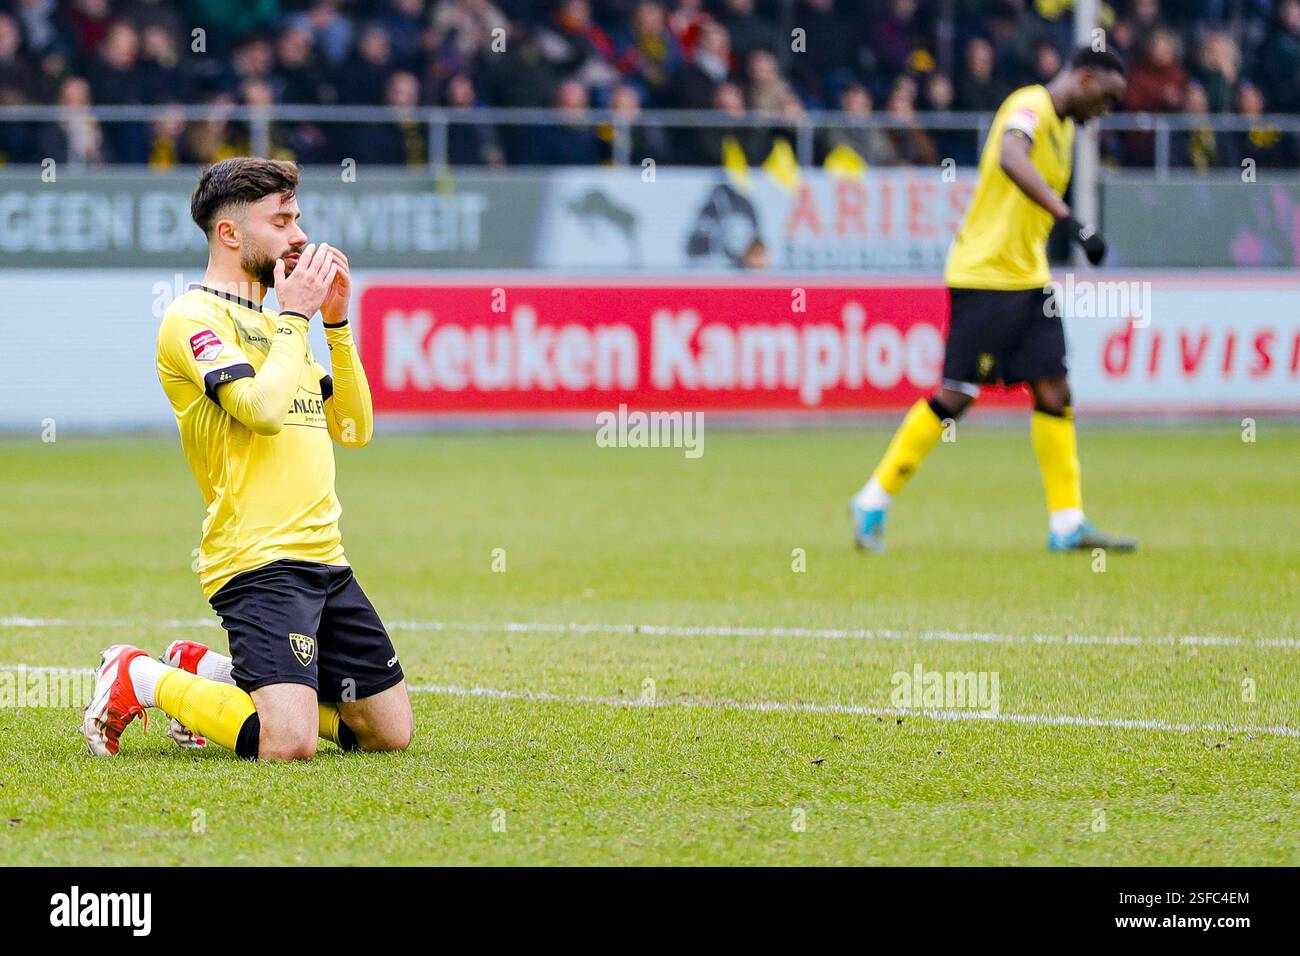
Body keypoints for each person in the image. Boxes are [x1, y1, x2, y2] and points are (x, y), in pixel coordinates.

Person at [82, 157, 413, 760]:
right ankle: (140, 675)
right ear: (230, 233)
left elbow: (354, 429)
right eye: (281, 222)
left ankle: (208, 671)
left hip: (326, 558)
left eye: (298, 219)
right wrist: (296, 318)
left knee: (388, 734)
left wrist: (336, 323)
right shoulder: (193, 318)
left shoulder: (278, 327)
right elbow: (259, 410)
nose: (299, 236)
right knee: (288, 744)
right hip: (257, 560)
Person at [849, 47, 1138, 554]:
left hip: (1028, 278)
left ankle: (1067, 523)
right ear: (1085, 79)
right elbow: (1010, 157)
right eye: (1106, 98)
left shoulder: (1065, 131)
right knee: (957, 396)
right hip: (985, 276)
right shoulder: (1029, 106)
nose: (1106, 110)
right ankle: (873, 498)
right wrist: (1071, 222)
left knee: (1054, 391)